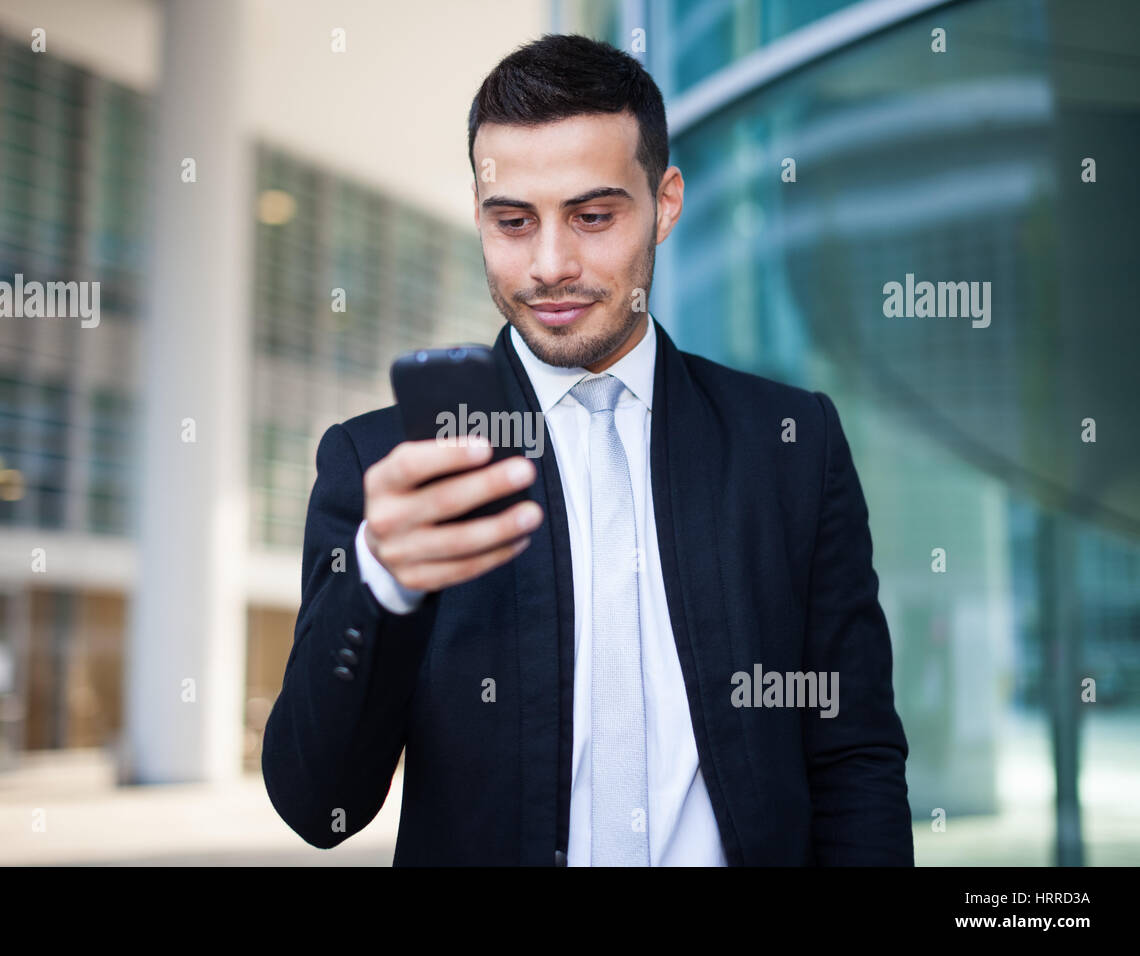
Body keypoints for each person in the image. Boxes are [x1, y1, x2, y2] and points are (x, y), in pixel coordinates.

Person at [262, 33, 912, 866]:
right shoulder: (386, 466)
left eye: (593, 216)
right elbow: (322, 809)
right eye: (513, 221)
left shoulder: (790, 445)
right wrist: (379, 584)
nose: (551, 265)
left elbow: (852, 753)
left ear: (666, 204)